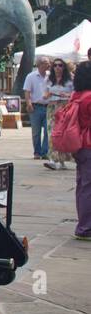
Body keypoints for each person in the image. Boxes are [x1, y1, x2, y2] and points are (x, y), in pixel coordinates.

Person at [68, 61, 91, 239]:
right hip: (88, 143)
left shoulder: (76, 94)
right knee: (87, 187)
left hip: (79, 145)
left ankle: (84, 224)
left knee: (83, 185)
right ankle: (85, 227)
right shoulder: (89, 97)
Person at [45, 59, 75, 169]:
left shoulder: (70, 78)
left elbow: (75, 93)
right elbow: (44, 94)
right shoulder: (49, 79)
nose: (57, 67)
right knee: (52, 133)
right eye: (55, 65)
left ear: (64, 67)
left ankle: (62, 160)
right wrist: (48, 94)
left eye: (60, 65)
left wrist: (66, 95)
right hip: (52, 107)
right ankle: (52, 159)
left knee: (63, 134)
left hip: (65, 107)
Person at [23, 56, 52, 159]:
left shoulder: (50, 76)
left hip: (48, 106)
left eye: (48, 63)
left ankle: (45, 152)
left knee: (48, 131)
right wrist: (29, 103)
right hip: (36, 107)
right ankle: (37, 152)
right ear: (39, 64)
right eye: (46, 62)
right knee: (36, 132)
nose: (48, 64)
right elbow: (27, 91)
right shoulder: (31, 76)